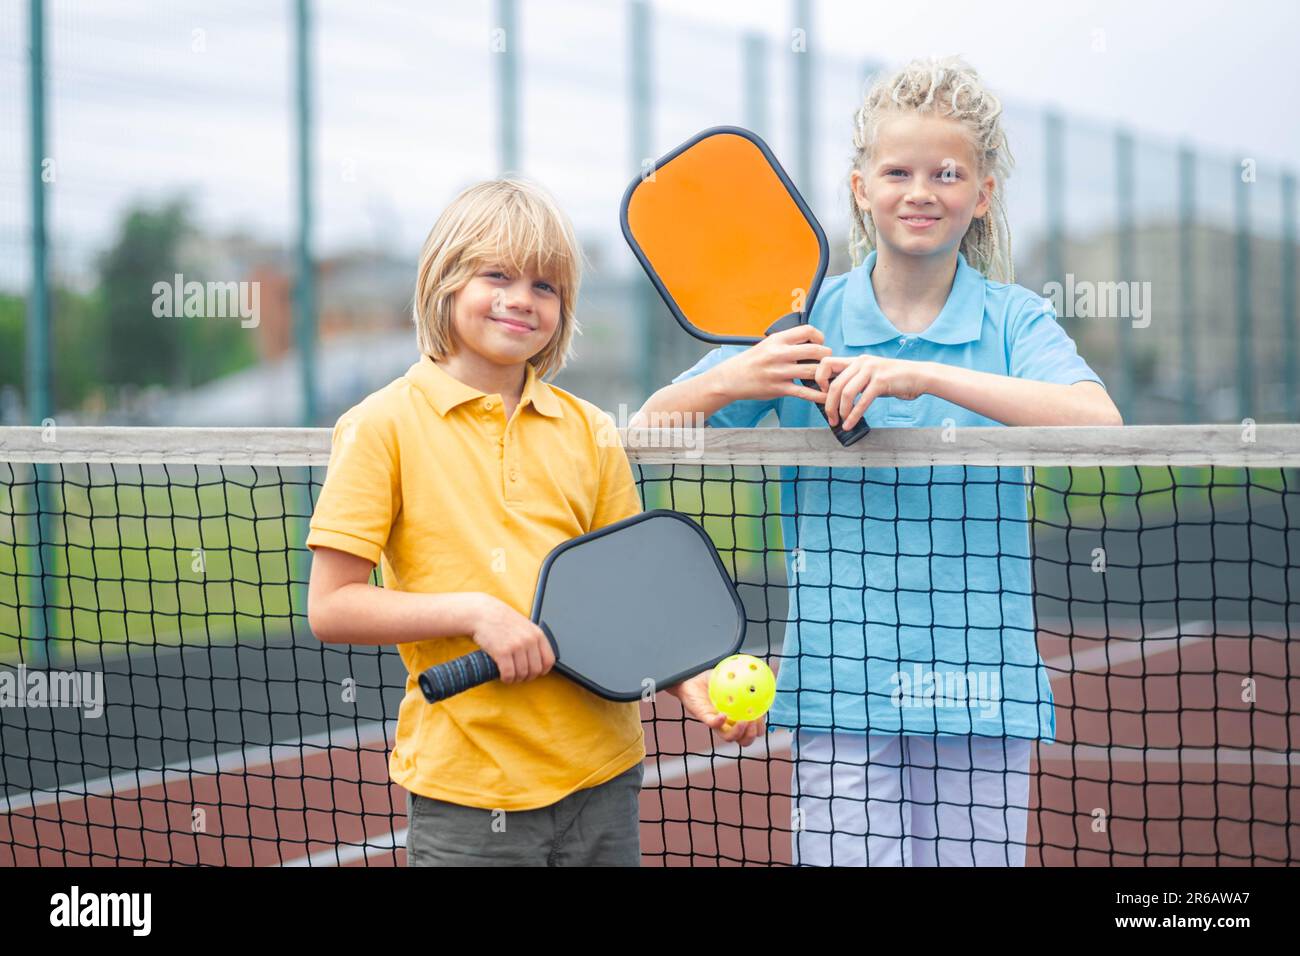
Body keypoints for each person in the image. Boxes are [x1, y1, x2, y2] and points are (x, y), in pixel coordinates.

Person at [634, 56, 1122, 866]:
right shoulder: (800, 319)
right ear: (861, 187)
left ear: (983, 194)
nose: (920, 191)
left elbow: (1098, 425)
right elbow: (647, 431)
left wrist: (919, 373)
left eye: (947, 172)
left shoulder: (1015, 321)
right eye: (896, 170)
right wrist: (737, 375)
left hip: (980, 688)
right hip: (840, 685)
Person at [306, 179, 754, 867]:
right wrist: (478, 614)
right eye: (498, 275)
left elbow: (627, 596)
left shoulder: (590, 430)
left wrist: (686, 678)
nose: (522, 298)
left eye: (546, 286)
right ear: (445, 283)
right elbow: (332, 607)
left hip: (602, 778)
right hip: (468, 790)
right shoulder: (380, 427)